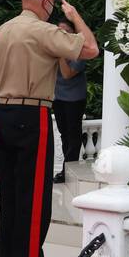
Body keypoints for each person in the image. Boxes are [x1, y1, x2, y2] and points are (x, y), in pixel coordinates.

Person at [0, 0, 98, 257]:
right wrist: (74, 17)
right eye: (53, 3)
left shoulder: (2, 31)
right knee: (34, 202)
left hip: (3, 117)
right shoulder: (43, 31)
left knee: (10, 199)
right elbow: (90, 48)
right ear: (46, 3)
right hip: (32, 116)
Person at [52, 21, 88, 184]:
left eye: (66, 31)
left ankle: (67, 171)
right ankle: (69, 168)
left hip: (74, 98)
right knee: (64, 134)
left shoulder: (79, 51)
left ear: (73, 33)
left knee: (73, 136)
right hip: (58, 97)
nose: (63, 34)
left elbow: (67, 74)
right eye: (60, 31)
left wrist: (59, 55)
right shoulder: (53, 48)